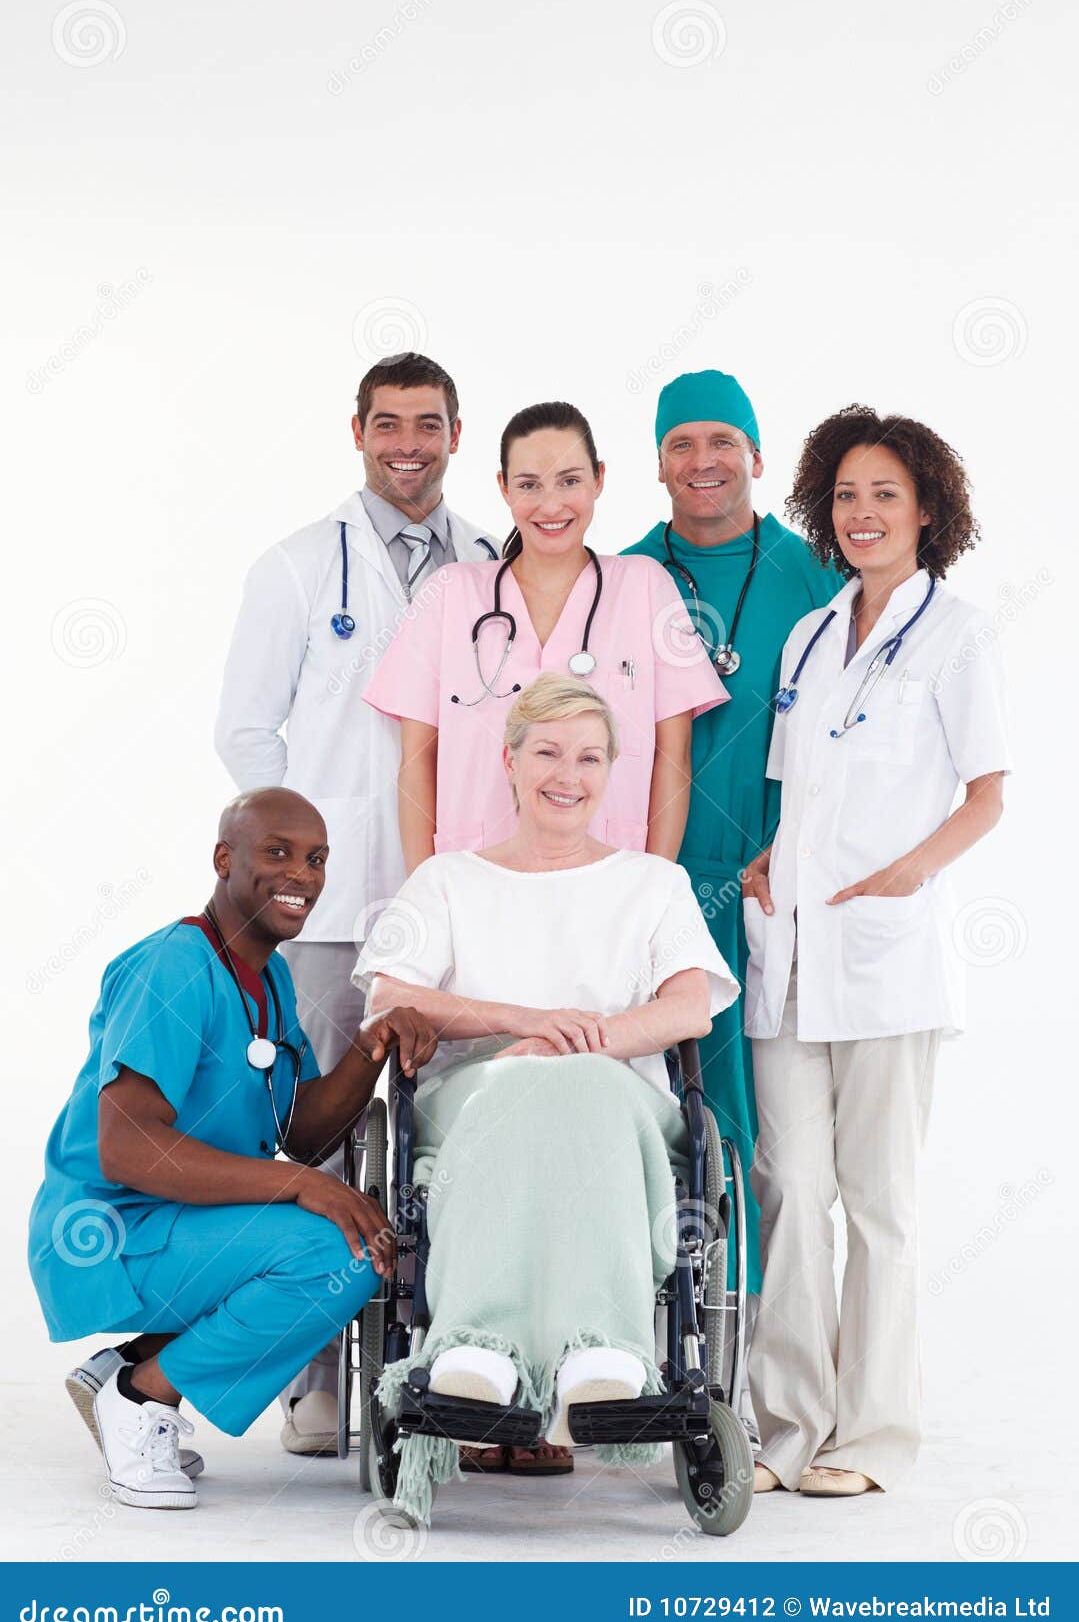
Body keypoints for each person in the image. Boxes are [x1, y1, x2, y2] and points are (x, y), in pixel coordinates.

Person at [353, 674, 739, 1521]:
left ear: (611, 770)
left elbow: (689, 1006)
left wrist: (579, 1042)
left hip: (617, 1105)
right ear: (509, 761)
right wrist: (523, 1024)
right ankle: (479, 1351)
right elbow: (388, 994)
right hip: (477, 1101)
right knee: (520, 1085)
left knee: (577, 1086)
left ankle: (597, 1353)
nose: (568, 775)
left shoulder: (651, 882)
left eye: (589, 758)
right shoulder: (448, 880)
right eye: (548, 753)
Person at [214, 351, 496, 1452]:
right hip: (328, 915)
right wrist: (297, 853)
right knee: (317, 1138)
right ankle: (315, 1380)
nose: (407, 445)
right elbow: (246, 731)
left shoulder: (489, 563)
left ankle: (458, 1367)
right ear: (358, 431)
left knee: (456, 1130)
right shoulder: (296, 567)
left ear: (455, 433)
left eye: (427, 424)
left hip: (455, 897)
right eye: (388, 424)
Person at [27, 788, 437, 1510]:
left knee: (350, 1242)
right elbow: (128, 1151)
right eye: (277, 852)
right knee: (339, 1252)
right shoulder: (172, 966)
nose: (302, 875)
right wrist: (301, 1186)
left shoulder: (269, 977)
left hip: (177, 1224)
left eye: (316, 859)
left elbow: (300, 1133)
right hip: (109, 1229)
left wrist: (370, 1047)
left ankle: (129, 1367)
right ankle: (140, 1395)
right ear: (224, 859)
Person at [742, 405, 1009, 1497]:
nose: (861, 513)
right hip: (791, 951)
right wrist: (768, 860)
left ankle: (868, 1437)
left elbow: (986, 796)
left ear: (926, 510)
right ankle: (787, 1428)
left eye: (884, 495)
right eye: (845, 494)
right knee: (789, 1195)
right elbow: (796, 790)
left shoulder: (958, 633)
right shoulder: (810, 635)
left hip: (886, 957)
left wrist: (906, 874)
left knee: (878, 1205)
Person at [623, 369, 844, 1329]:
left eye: (722, 441)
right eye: (681, 443)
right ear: (657, 462)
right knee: (669, 1128)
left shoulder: (816, 576)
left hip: (776, 892)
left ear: (756, 453)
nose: (702, 460)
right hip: (653, 892)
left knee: (775, 1144)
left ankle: (749, 1348)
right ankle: (654, 1339)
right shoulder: (624, 577)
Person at [364, 401, 726, 872]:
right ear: (504, 487)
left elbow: (673, 758)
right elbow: (416, 762)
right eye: (529, 484)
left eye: (570, 481)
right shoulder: (449, 594)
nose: (551, 505)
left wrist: (653, 888)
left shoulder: (645, 587)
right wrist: (425, 891)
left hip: (610, 879)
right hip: (473, 877)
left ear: (599, 478)